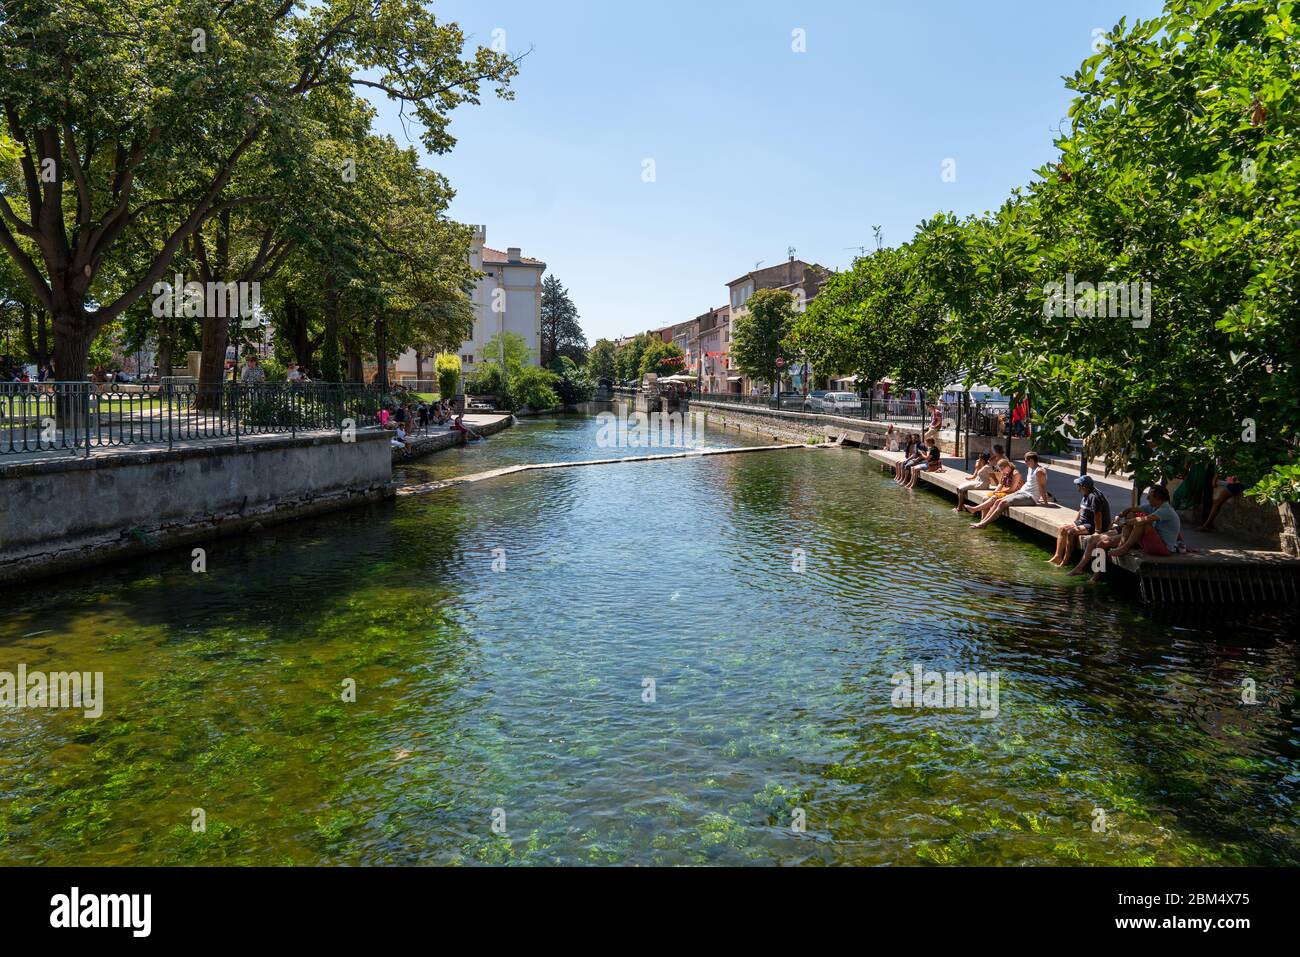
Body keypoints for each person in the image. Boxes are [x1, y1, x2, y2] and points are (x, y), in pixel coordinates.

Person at [971, 451, 1052, 528]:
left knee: (1002, 502)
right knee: (998, 501)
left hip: (1030, 497)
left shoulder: (1040, 471)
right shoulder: (1031, 468)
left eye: (1026, 461)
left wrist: (1046, 503)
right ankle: (982, 523)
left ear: (1031, 460)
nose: (1025, 463)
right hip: (1022, 493)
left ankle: (983, 524)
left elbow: (1042, 487)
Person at [1049, 474, 1108, 566]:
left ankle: (1066, 559)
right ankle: (1057, 557)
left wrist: (1097, 531)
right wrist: (1074, 522)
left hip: (1092, 524)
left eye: (1078, 485)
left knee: (1070, 532)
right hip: (1084, 521)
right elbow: (1082, 509)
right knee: (1062, 529)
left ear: (1083, 486)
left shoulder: (1094, 497)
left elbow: (1097, 515)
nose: (1077, 486)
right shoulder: (1086, 493)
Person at [1112, 484, 1180, 559]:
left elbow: (1142, 521)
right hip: (1152, 543)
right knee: (1131, 514)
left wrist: (1123, 522)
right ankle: (1122, 544)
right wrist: (1119, 516)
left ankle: (1124, 547)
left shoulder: (1166, 510)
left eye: (1149, 496)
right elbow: (1131, 509)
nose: (1147, 498)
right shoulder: (1154, 506)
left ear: (1157, 498)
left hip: (1164, 549)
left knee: (1143, 523)